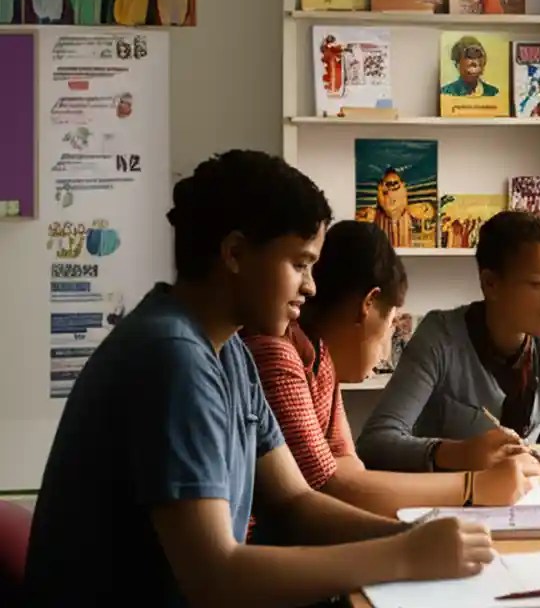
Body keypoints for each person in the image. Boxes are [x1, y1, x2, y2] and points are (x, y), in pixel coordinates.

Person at [23, 150, 496, 607]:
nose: (310, 287)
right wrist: (404, 555)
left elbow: (294, 502)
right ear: (234, 253)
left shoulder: (228, 351)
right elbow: (216, 578)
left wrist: (411, 537)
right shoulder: (172, 357)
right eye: (300, 264)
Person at [243, 219, 540, 519]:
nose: (387, 347)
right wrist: (473, 487)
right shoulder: (277, 353)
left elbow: (351, 472)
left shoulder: (321, 355)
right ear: (369, 303)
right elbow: (333, 488)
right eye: (390, 325)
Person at [357, 210, 540, 471]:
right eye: (537, 284)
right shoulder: (440, 338)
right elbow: (375, 442)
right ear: (490, 283)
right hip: (446, 503)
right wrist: (458, 453)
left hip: (524, 499)